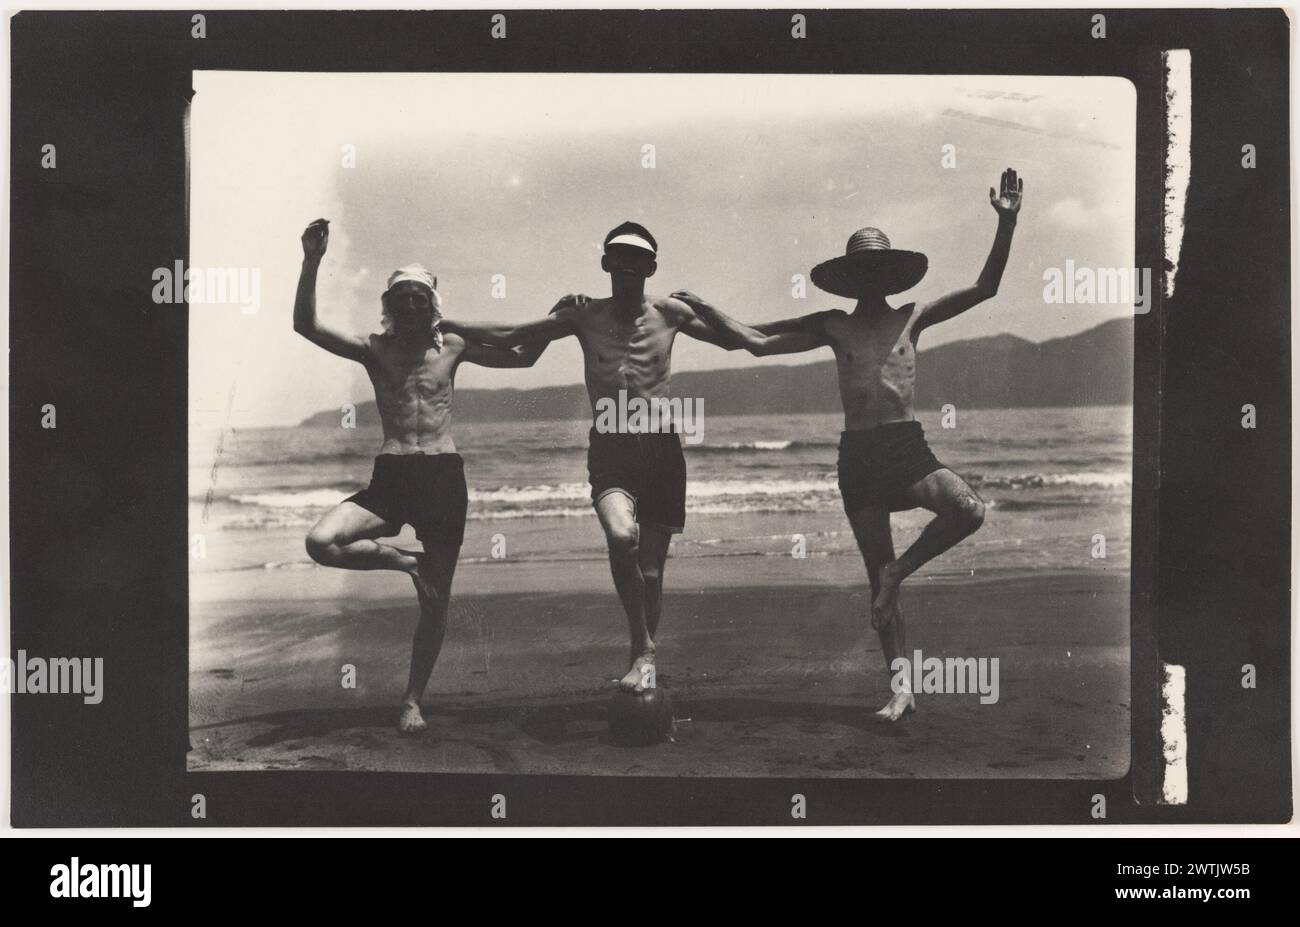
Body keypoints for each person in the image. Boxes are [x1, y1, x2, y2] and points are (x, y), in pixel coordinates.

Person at [673, 169, 1024, 721]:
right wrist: (699, 311)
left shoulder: (914, 316)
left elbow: (986, 288)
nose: (871, 278)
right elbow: (755, 341)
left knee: (968, 510)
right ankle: (901, 688)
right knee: (874, 569)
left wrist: (1007, 222)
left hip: (906, 448)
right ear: (851, 278)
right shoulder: (831, 324)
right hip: (858, 456)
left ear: (890, 275)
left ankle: (897, 575)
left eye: (878, 269)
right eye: (862, 270)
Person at [442, 221, 750, 692]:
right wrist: (451, 324)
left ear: (650, 267)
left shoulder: (671, 313)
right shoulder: (583, 316)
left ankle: (641, 658)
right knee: (621, 534)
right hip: (611, 445)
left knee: (651, 569)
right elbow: (513, 336)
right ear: (606, 264)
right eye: (618, 259)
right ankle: (645, 648)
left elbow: (736, 340)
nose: (627, 267)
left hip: (662, 448)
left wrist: (705, 305)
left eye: (637, 260)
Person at [293, 218, 562, 734]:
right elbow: (306, 325)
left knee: (435, 603)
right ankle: (407, 563)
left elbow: (523, 356)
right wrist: (311, 259)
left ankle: (412, 701)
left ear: (432, 304)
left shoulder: (454, 347)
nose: (411, 306)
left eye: (420, 298)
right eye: (402, 299)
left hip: (442, 478)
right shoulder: (374, 349)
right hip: (391, 477)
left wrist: (558, 318)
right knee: (320, 542)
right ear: (389, 305)